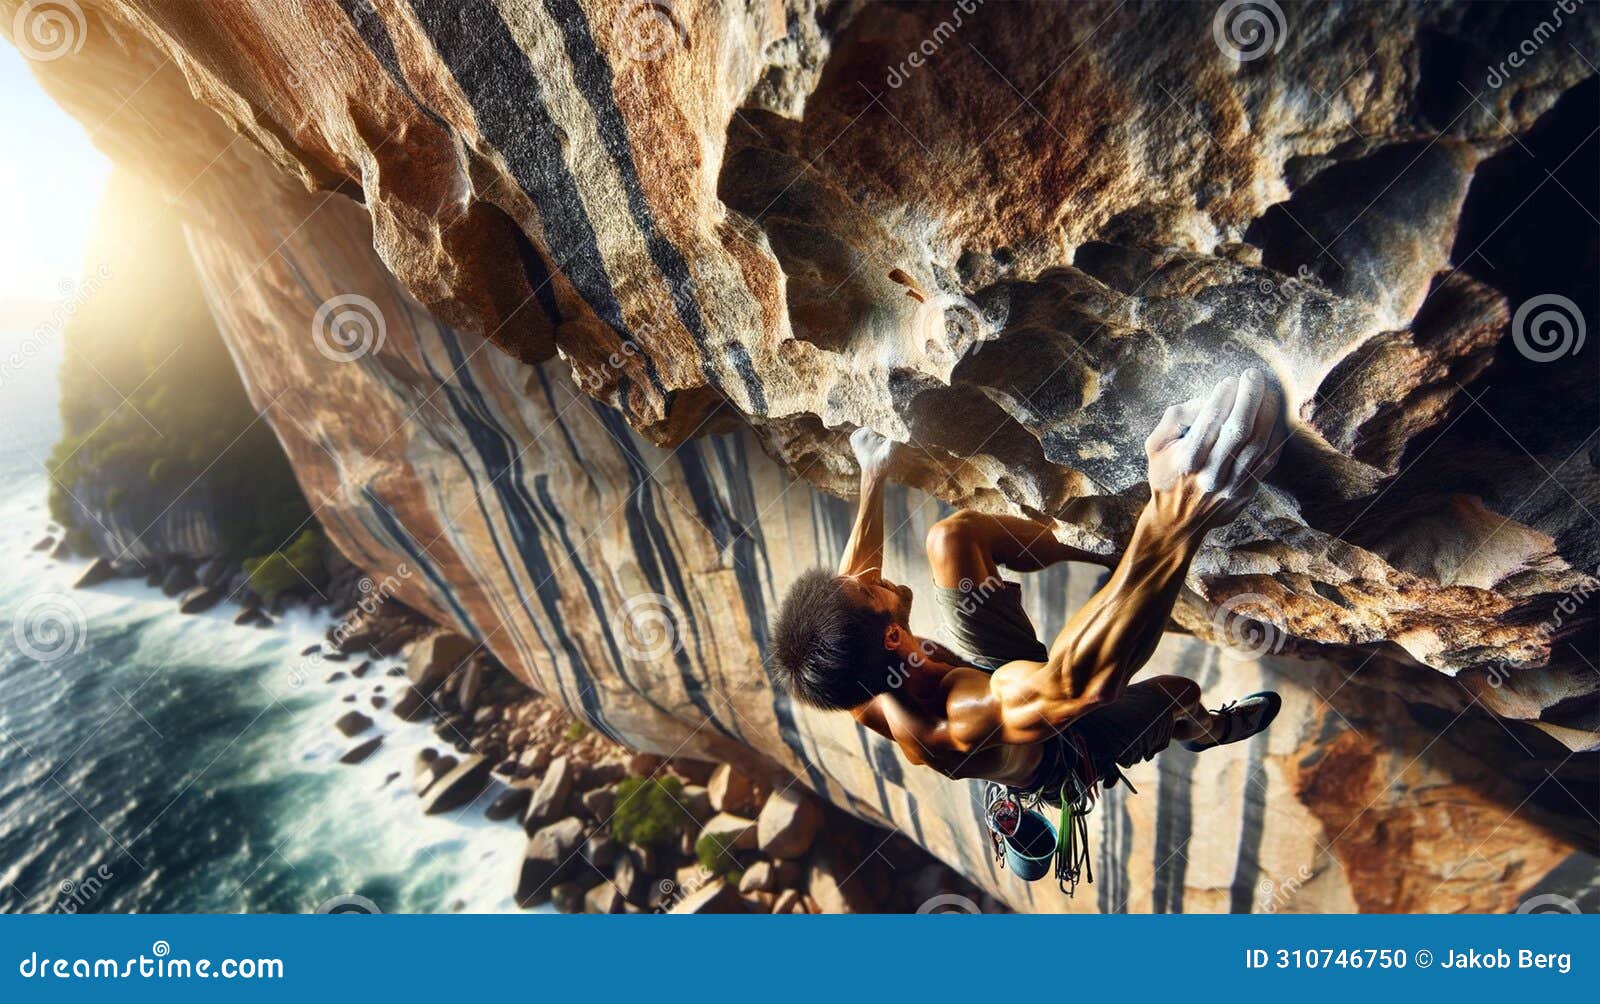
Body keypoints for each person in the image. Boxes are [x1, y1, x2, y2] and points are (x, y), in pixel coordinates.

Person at [771, 369, 1287, 808]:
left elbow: (852, 589)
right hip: (1063, 743)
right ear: (890, 637)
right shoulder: (955, 723)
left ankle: (1103, 545)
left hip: (994, 677)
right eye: (871, 590)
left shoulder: (856, 677)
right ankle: (1207, 731)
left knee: (953, 539)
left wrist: (873, 473)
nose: (868, 574)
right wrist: (1173, 517)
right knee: (1179, 695)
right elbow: (1077, 686)